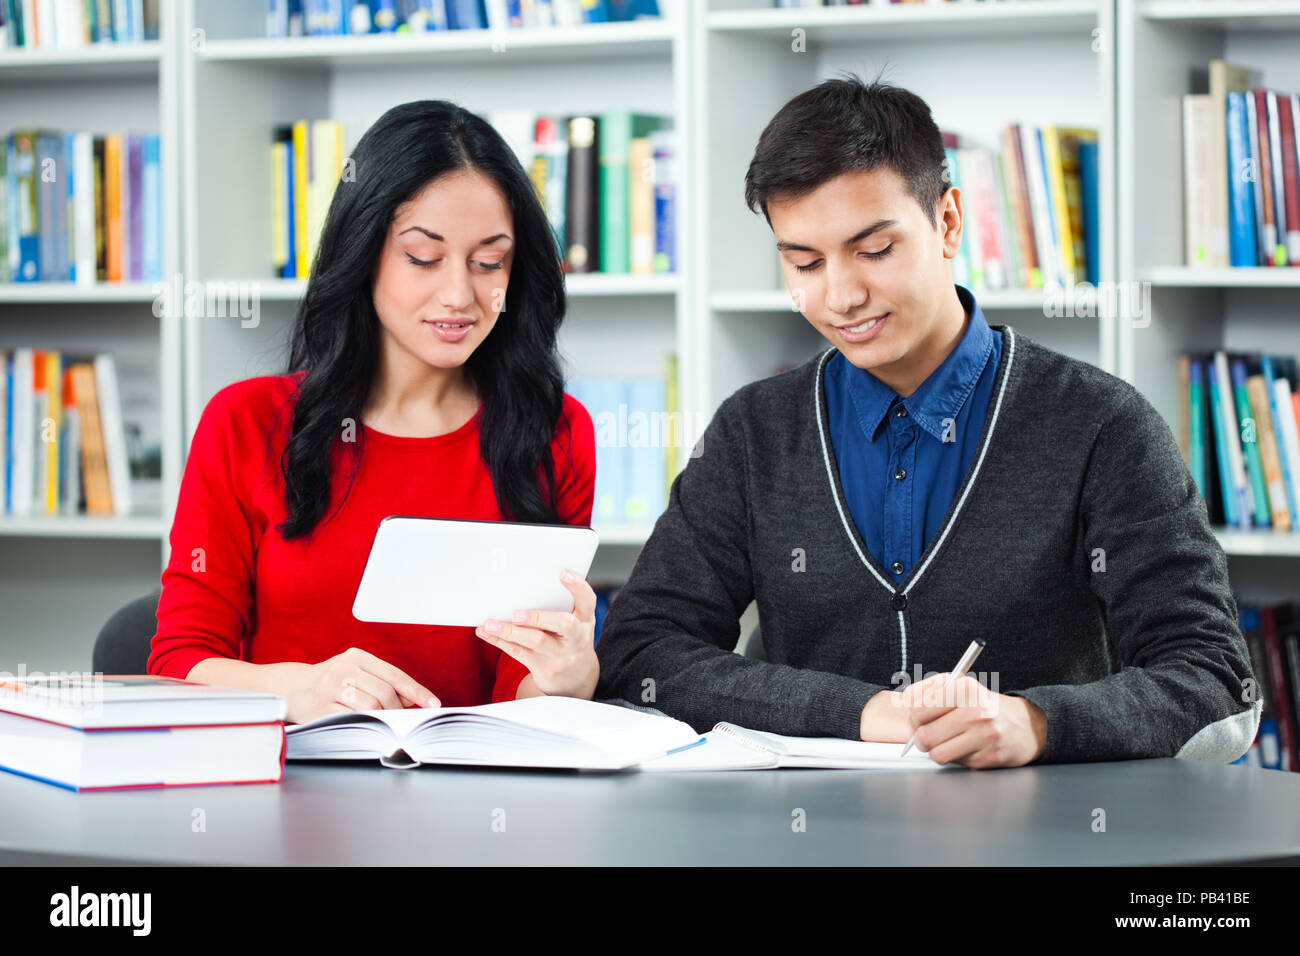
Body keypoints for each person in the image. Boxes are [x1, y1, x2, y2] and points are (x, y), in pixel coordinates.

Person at [594, 74, 1260, 768]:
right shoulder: (754, 433)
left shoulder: (1101, 425)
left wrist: (1039, 723)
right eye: (804, 262)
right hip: (808, 836)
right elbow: (643, 652)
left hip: (1046, 839)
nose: (842, 296)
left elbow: (1215, 680)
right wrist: (859, 714)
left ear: (947, 222)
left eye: (875, 250)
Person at [149, 100, 599, 724]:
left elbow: (518, 696)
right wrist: (298, 691)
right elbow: (180, 660)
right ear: (363, 254)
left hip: (473, 800)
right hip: (286, 793)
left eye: (489, 261)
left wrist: (565, 680)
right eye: (422, 257)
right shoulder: (246, 423)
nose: (459, 295)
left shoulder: (553, 433)